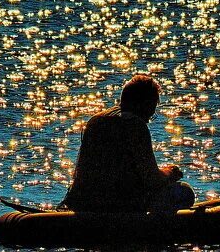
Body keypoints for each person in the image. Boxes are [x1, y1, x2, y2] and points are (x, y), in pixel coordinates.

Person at [61, 74, 195, 213]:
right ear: (145, 104)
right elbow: (151, 178)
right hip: (120, 206)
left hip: (84, 203)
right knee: (184, 191)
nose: (149, 119)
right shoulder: (134, 125)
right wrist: (169, 173)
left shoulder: (97, 120)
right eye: (152, 109)